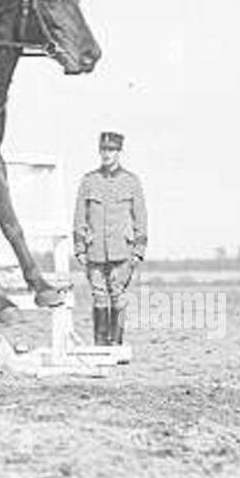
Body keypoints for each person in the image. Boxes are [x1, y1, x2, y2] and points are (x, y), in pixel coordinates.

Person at [72, 131, 148, 346]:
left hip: (122, 251)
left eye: (111, 150)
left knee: (118, 295)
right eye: (104, 150)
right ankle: (100, 345)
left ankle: (116, 344)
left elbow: (140, 217)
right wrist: (79, 247)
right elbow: (79, 216)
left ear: (119, 152)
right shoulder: (89, 181)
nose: (107, 154)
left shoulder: (131, 182)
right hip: (95, 249)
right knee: (98, 295)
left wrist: (138, 251)